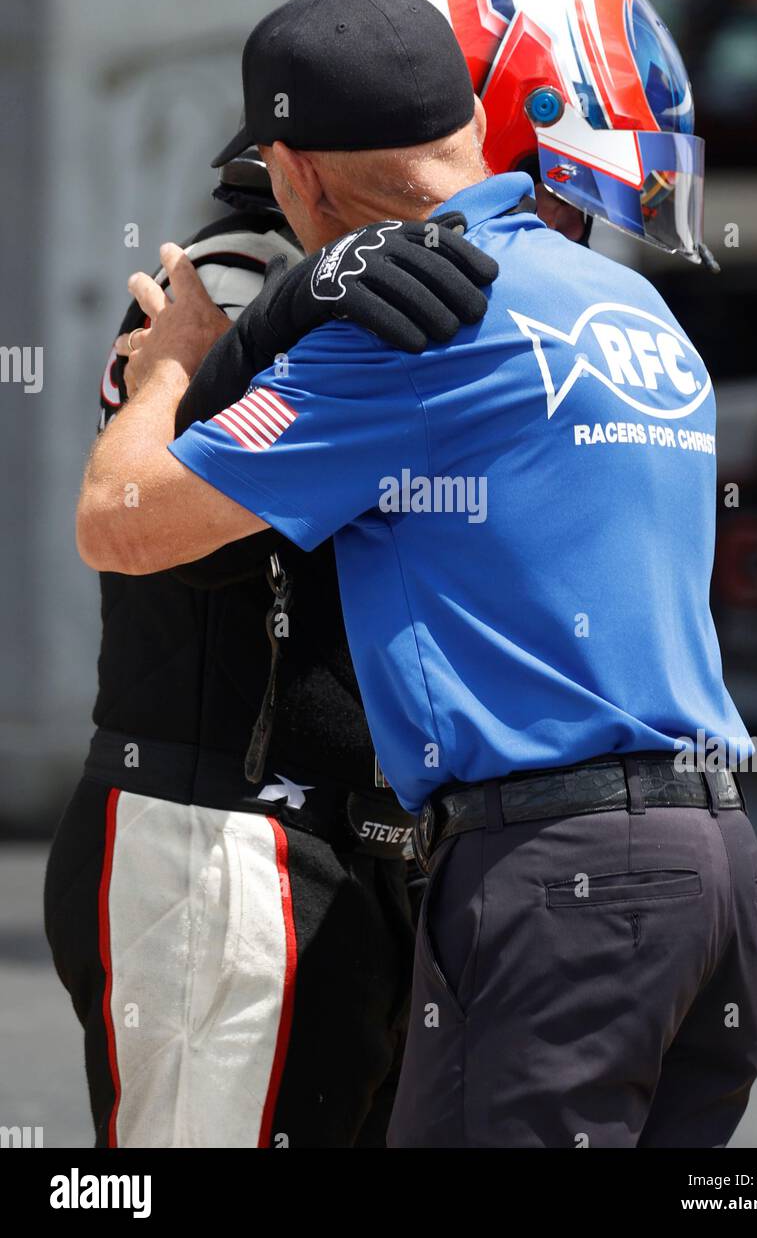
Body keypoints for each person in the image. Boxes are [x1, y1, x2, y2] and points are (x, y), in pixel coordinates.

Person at [76, 0, 757, 1149]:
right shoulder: (623, 303)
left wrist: (168, 374)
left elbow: (125, 520)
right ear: (467, 132)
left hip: (557, 876)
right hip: (715, 871)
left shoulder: (403, 332)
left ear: (292, 173)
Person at [44, 133, 496, 1145]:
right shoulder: (239, 277)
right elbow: (143, 530)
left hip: (350, 840)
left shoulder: (384, 281)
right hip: (229, 838)